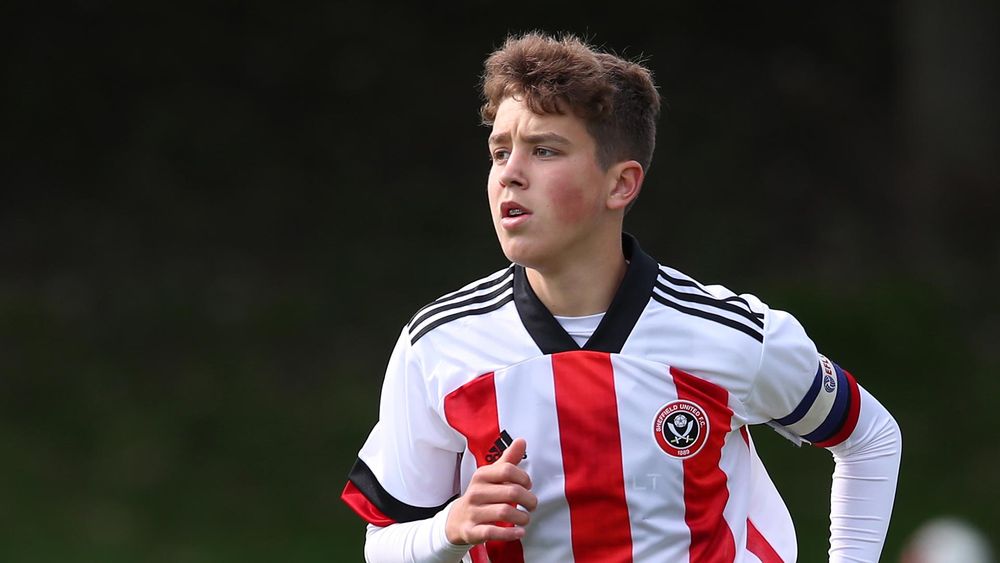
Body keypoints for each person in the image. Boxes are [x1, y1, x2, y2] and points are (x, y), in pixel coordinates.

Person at [341, 32, 902, 563]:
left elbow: (870, 437)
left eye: (544, 150)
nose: (510, 174)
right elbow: (382, 543)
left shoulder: (730, 336)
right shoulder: (438, 345)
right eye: (500, 151)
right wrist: (450, 528)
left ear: (621, 184)